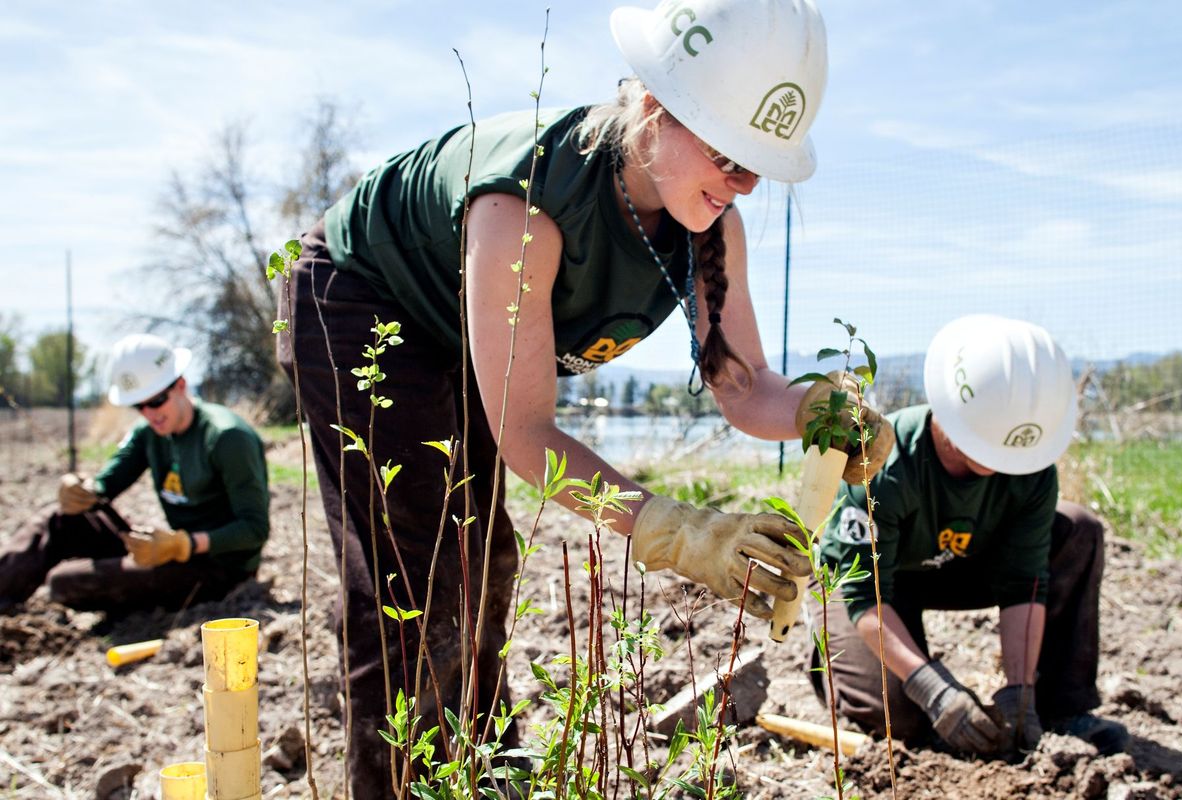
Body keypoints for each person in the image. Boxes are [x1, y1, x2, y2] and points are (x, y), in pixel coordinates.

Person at [276, 0, 893, 794]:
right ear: (654, 106)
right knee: (415, 577)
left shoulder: (710, 220)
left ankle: (485, 769)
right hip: (364, 300)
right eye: (728, 151)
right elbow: (528, 434)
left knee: (484, 556)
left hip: (458, 323)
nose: (742, 182)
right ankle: (397, 785)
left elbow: (741, 384)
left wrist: (812, 409)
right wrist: (677, 532)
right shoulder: (523, 210)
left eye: (758, 164)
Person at [810, 314, 1130, 758]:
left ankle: (1061, 707)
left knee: (1078, 530)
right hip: (876, 585)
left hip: (964, 565)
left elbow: (1024, 580)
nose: (1000, 466)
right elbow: (864, 594)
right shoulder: (886, 460)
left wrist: (1020, 692)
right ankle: (839, 666)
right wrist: (932, 689)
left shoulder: (1029, 465)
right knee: (898, 719)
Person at [0, 334, 269, 614]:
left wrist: (182, 545)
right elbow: (107, 483)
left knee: (65, 582)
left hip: (220, 569)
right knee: (60, 519)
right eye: (138, 406)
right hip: (171, 550)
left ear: (180, 385)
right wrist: (82, 491)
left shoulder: (226, 437)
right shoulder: (149, 433)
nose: (149, 414)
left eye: (155, 401)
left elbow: (255, 529)